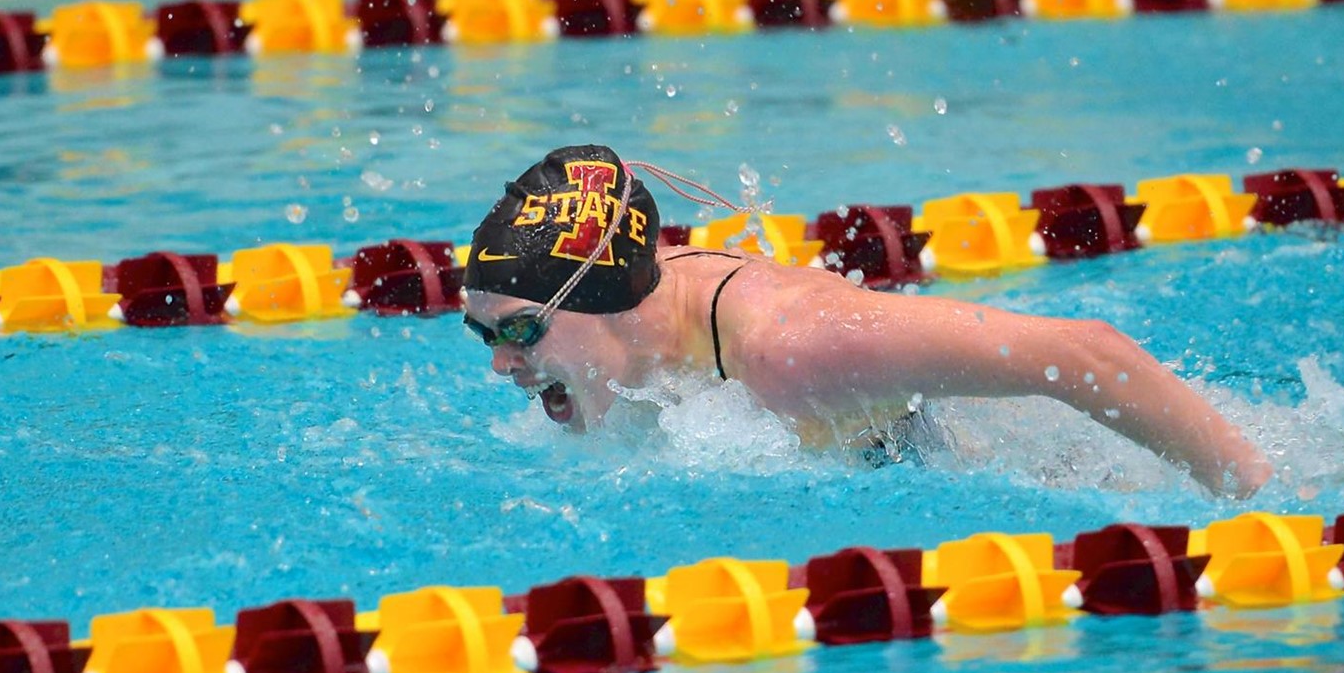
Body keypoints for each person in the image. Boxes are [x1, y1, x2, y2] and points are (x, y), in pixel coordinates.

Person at [461, 145, 1274, 498]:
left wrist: (1262, 498)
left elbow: (1086, 353)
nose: (502, 366)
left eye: (521, 330)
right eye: (486, 334)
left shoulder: (794, 351)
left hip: (1071, 475)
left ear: (601, 304)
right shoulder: (637, 324)